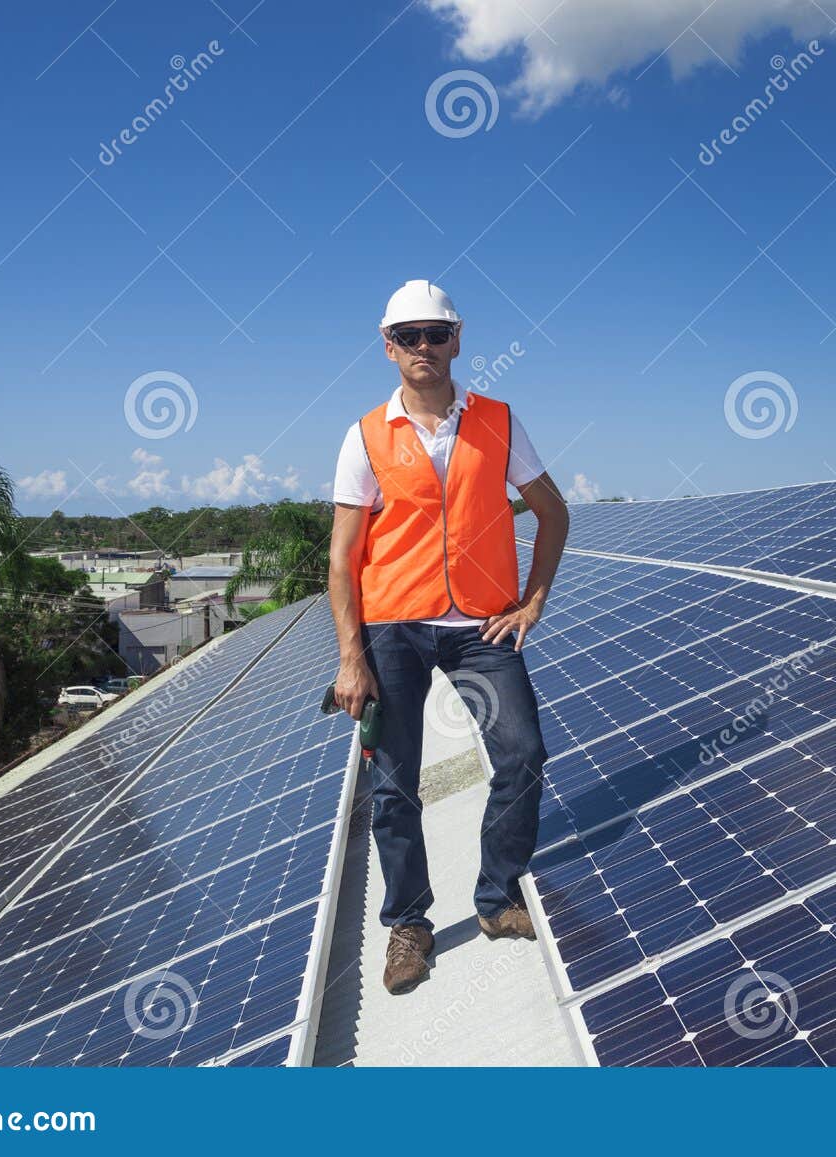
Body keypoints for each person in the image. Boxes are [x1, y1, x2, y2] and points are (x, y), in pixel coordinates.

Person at [327, 279, 570, 995]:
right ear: (387, 346)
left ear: (458, 339)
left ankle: (496, 896)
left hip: (482, 626)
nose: (422, 347)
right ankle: (409, 923)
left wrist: (534, 601)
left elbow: (553, 513)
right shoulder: (365, 434)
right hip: (394, 627)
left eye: (435, 333)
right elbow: (341, 557)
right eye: (407, 336)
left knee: (524, 752)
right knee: (396, 783)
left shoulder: (497, 420)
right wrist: (351, 658)